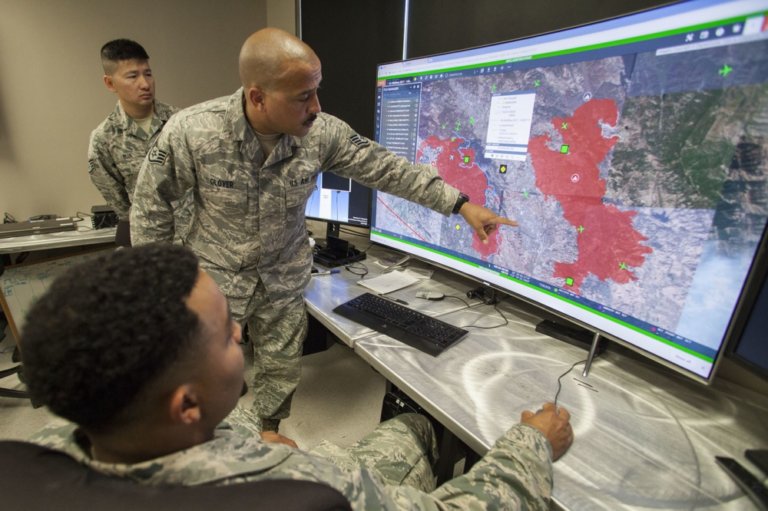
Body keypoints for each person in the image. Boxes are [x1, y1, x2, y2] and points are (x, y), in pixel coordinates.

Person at [129, 27, 517, 438]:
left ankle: (268, 435)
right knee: (195, 378)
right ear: (257, 96)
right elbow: (150, 209)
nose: (317, 106)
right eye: (303, 96)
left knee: (279, 373)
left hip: (284, 277)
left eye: (317, 91)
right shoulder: (192, 131)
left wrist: (461, 204)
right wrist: (168, 292)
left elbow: (387, 169)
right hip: (216, 280)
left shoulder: (322, 133)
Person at [23, 244, 574, 509]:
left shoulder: (54, 447)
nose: (240, 333)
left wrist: (245, 437)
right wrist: (531, 445)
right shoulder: (296, 493)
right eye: (224, 334)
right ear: (187, 407)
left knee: (410, 427)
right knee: (425, 431)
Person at [88, 39, 180, 246]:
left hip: (191, 239)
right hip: (146, 243)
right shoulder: (104, 139)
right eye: (132, 76)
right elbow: (120, 202)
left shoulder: (180, 123)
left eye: (147, 74)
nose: (145, 84)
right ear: (110, 83)